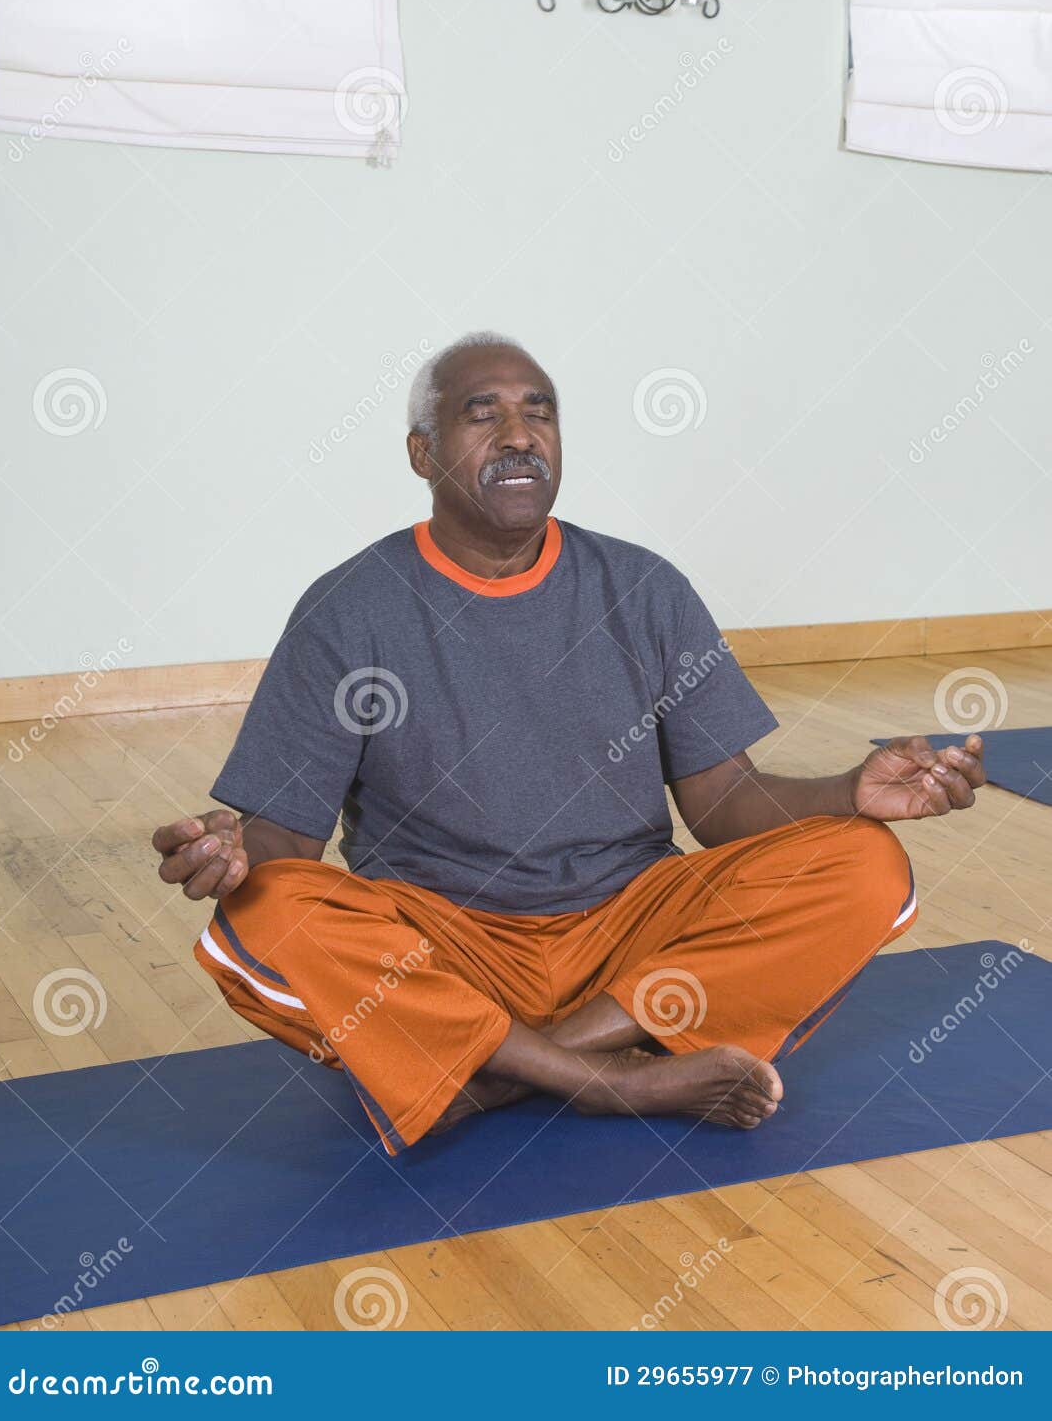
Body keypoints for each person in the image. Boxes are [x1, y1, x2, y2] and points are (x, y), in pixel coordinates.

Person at [153, 332, 986, 1154]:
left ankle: (498, 1076)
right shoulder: (348, 607)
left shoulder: (645, 588)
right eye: (483, 416)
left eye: (538, 415)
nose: (518, 436)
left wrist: (848, 791)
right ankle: (616, 1079)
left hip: (629, 935)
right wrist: (234, 847)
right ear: (420, 452)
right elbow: (289, 840)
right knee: (266, 905)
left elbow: (723, 803)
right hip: (449, 949)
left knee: (863, 864)